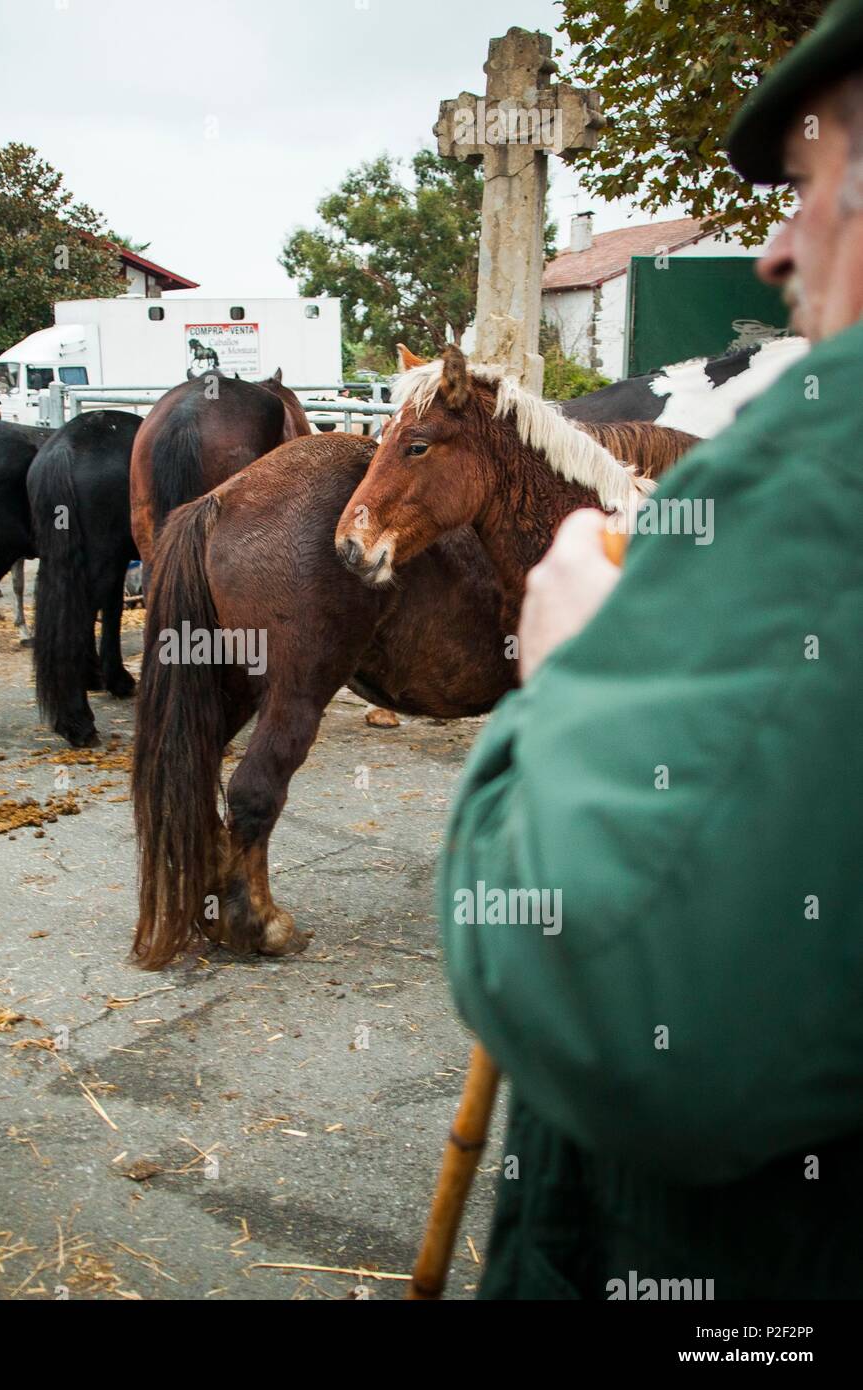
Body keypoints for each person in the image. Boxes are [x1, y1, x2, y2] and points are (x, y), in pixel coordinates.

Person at [438, 0, 863, 1299]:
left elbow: (611, 996)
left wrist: (563, 680)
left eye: (805, 184)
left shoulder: (827, 456)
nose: (777, 254)